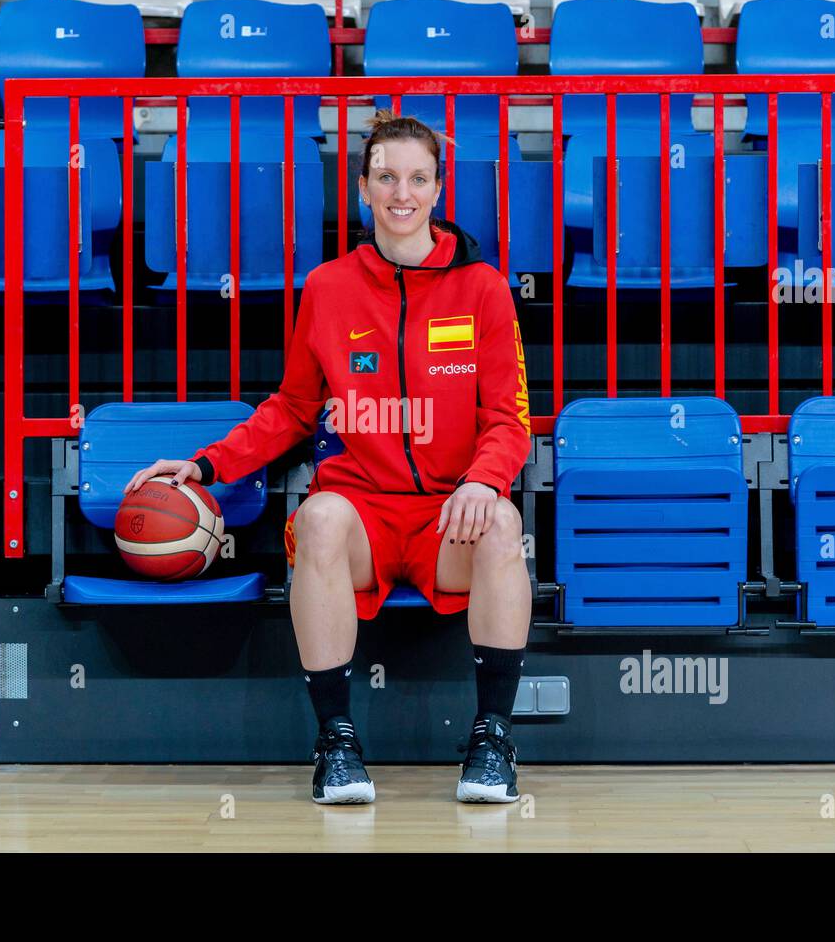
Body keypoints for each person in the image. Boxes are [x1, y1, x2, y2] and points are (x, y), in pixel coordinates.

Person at [126, 109, 533, 804]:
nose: (402, 192)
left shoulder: (485, 289)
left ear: (438, 190)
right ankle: (337, 744)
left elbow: (510, 421)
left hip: (446, 520)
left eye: (417, 178)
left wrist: (483, 481)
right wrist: (206, 465)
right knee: (317, 520)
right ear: (363, 189)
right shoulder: (328, 288)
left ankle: (492, 738)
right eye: (386, 177)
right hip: (365, 516)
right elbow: (290, 409)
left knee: (499, 521)